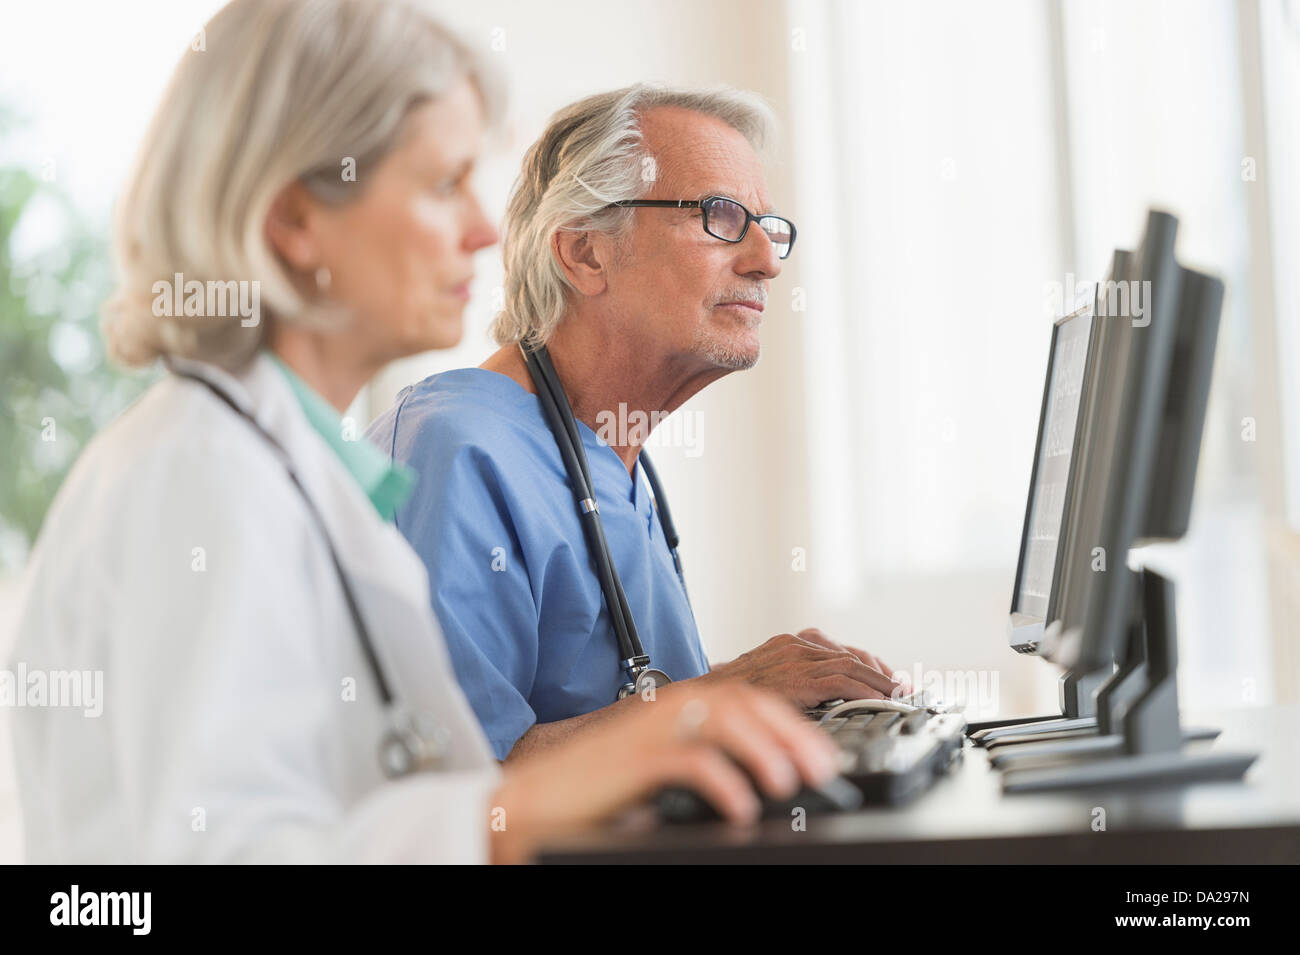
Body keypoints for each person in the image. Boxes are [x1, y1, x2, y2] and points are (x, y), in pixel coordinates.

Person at [5, 0, 838, 864]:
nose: (484, 232)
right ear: (296, 220)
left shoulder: (295, 477)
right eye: (443, 186)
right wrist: (530, 798)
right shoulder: (199, 475)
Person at [367, 85, 907, 762]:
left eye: (768, 227)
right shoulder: (453, 448)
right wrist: (722, 697)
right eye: (719, 215)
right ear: (586, 253)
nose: (766, 260)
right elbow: (457, 786)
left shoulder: (615, 466)